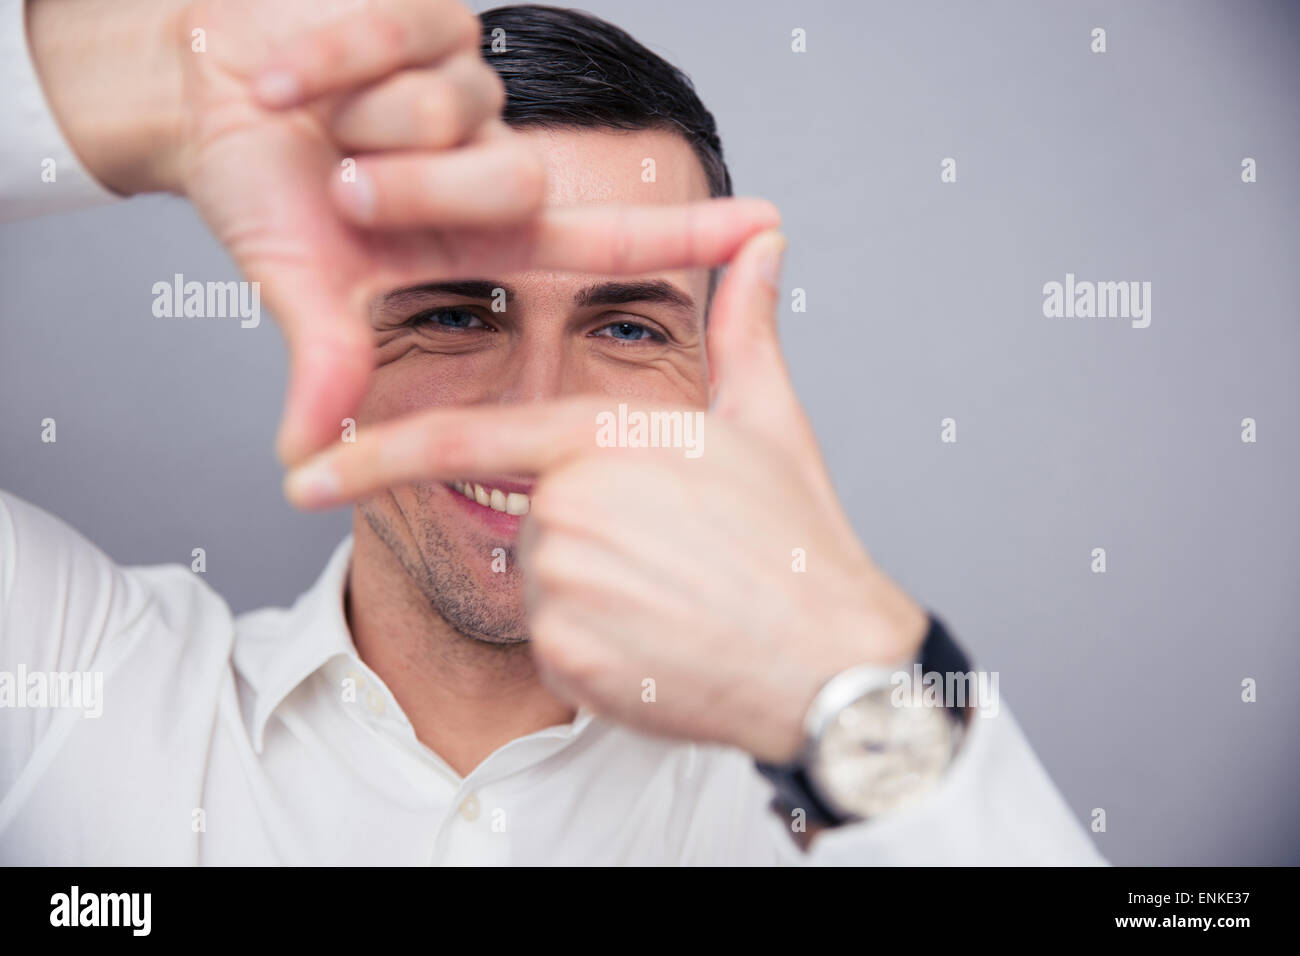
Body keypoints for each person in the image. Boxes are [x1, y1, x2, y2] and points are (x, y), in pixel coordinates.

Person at [0, 0, 1104, 864]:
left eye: (624, 324)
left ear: (710, 376)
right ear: (329, 338)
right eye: (452, 311)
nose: (536, 407)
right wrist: (145, 78)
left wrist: (861, 674)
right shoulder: (78, 677)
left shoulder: (841, 804)